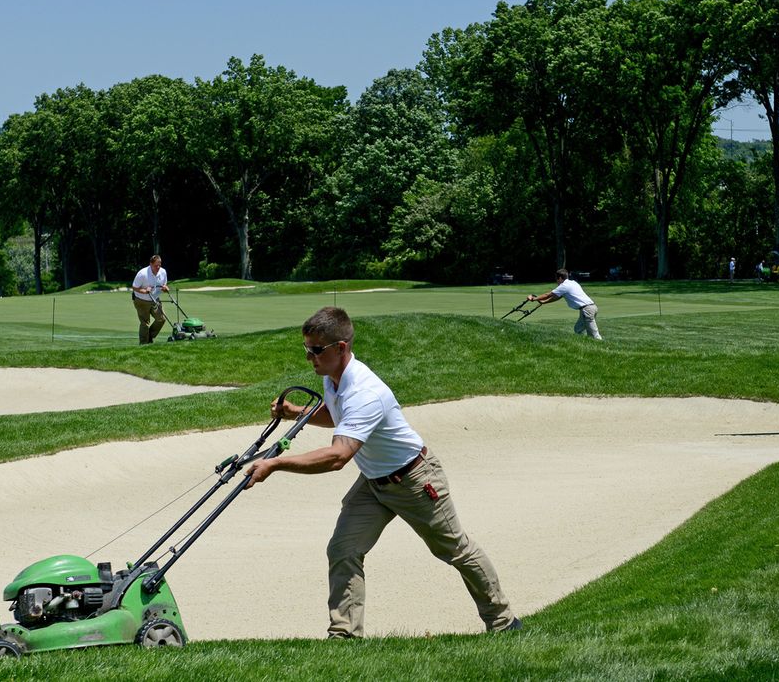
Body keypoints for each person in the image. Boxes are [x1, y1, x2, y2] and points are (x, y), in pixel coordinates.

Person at [245, 307, 521, 638]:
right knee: (343, 549)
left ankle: (503, 621)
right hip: (374, 483)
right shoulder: (332, 378)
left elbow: (337, 456)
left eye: (316, 350)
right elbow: (339, 415)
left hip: (415, 480)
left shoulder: (365, 391)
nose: (309, 358)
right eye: (307, 349)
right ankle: (344, 636)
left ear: (341, 348)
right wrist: (296, 412)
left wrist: (274, 464)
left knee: (455, 550)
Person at [526, 269, 602, 340]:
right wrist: (543, 302)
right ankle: (586, 344)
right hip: (591, 307)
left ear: (560, 278)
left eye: (556, 279)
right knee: (578, 329)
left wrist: (534, 299)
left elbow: (548, 294)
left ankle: (601, 346)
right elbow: (556, 297)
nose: (556, 282)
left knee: (594, 334)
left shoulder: (564, 286)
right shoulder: (573, 282)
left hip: (587, 310)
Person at [130, 255, 169, 344]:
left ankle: (149, 337)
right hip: (141, 300)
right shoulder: (142, 273)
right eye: (156, 265)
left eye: (159, 265)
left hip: (155, 299)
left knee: (161, 319)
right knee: (145, 323)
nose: (158, 267)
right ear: (150, 264)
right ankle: (144, 343)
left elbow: (163, 285)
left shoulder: (163, 272)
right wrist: (144, 291)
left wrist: (165, 288)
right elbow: (134, 287)